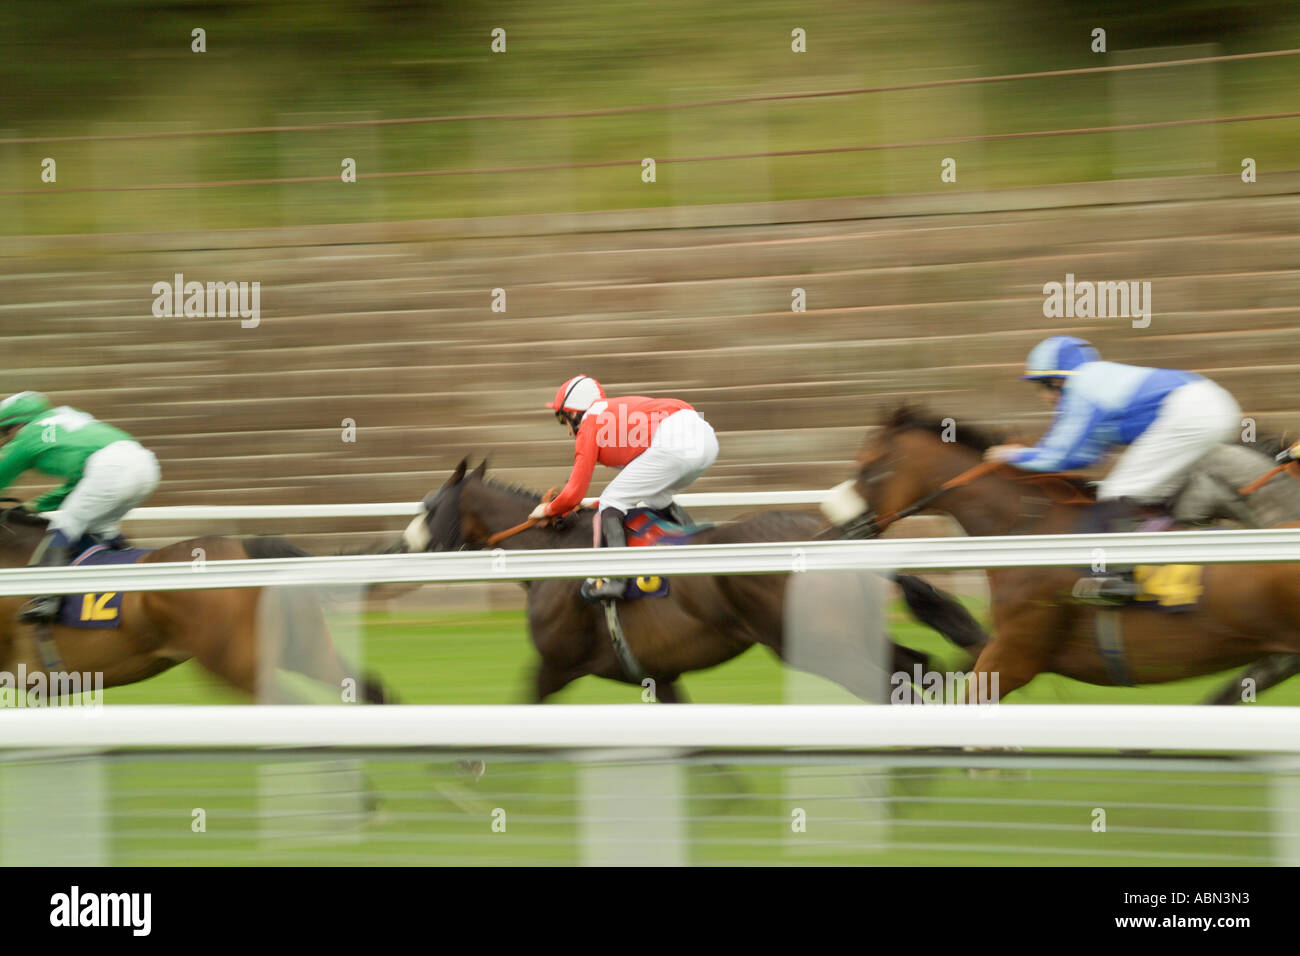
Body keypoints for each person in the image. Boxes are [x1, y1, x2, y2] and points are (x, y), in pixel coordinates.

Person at [984, 336, 1240, 602]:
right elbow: (1086, 455)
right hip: (1214, 404)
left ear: (1059, 380)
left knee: (1119, 491)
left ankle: (1121, 580)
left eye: (1043, 386)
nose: (1043, 396)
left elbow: (1059, 455)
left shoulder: (1082, 387)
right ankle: (1198, 550)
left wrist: (1012, 455)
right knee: (1159, 495)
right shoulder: (1099, 382)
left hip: (1190, 413)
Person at [531, 375, 719, 599]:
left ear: (573, 413)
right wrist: (589, 503)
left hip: (674, 442)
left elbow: (573, 493)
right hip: (706, 437)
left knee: (613, 501)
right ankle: (699, 555)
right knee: (657, 498)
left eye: (563, 421)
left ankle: (617, 580)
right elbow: (633, 485)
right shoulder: (616, 415)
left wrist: (548, 509)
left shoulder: (590, 423)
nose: (569, 431)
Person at [0, 392, 161, 622]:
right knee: (101, 528)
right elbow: (78, 483)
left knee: (66, 525)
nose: (8, 437)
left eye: (7, 431)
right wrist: (36, 506)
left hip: (111, 469)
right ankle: (122, 576)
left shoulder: (28, 434)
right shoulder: (66, 418)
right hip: (145, 465)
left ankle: (47, 600)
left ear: (18, 424)